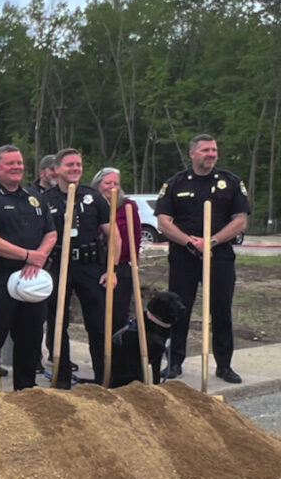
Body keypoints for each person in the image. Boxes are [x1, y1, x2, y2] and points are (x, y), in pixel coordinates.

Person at [156, 133, 249, 383]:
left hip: (218, 256)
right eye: (206, 150)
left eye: (214, 150)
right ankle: (175, 361)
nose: (211, 154)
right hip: (184, 256)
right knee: (178, 309)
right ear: (193, 153)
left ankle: (224, 365)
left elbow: (240, 220)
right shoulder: (176, 183)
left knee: (221, 310)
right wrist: (189, 241)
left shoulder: (230, 182)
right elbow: (163, 222)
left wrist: (212, 241)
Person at [0, 145, 56, 394]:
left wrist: (37, 257)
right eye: (10, 164)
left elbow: (51, 232)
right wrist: (27, 255)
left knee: (30, 341)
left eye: (19, 163)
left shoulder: (34, 197)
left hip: (31, 279)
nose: (17, 167)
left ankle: (26, 393)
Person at [43, 149, 119, 384]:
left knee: (97, 323)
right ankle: (62, 375)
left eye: (78, 164)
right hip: (58, 266)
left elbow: (113, 236)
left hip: (90, 266)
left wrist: (111, 269)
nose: (75, 169)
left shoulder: (93, 197)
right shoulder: (46, 199)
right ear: (57, 169)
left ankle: (103, 376)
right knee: (58, 323)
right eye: (69, 165)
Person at [92, 168, 141, 330]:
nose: (112, 187)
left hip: (121, 266)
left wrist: (132, 264)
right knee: (98, 314)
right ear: (98, 184)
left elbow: (136, 236)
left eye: (116, 183)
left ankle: (118, 351)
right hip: (96, 264)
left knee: (119, 314)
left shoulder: (128, 206)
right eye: (108, 183)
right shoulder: (90, 205)